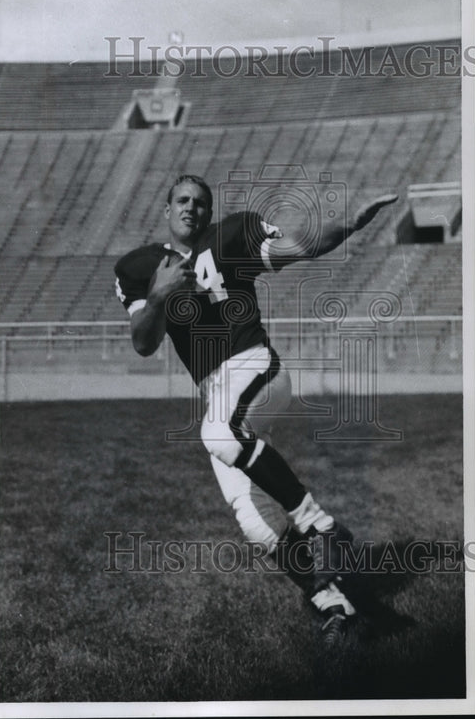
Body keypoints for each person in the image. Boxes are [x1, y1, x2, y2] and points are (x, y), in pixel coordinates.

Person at [114, 173, 398, 644]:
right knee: (256, 523)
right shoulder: (141, 267)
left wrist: (349, 224)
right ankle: (337, 607)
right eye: (182, 201)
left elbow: (302, 246)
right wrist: (160, 295)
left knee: (218, 434)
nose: (192, 208)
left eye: (201, 202)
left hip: (254, 366)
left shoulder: (231, 234)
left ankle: (321, 525)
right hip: (217, 391)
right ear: (167, 210)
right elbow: (143, 343)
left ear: (210, 211)